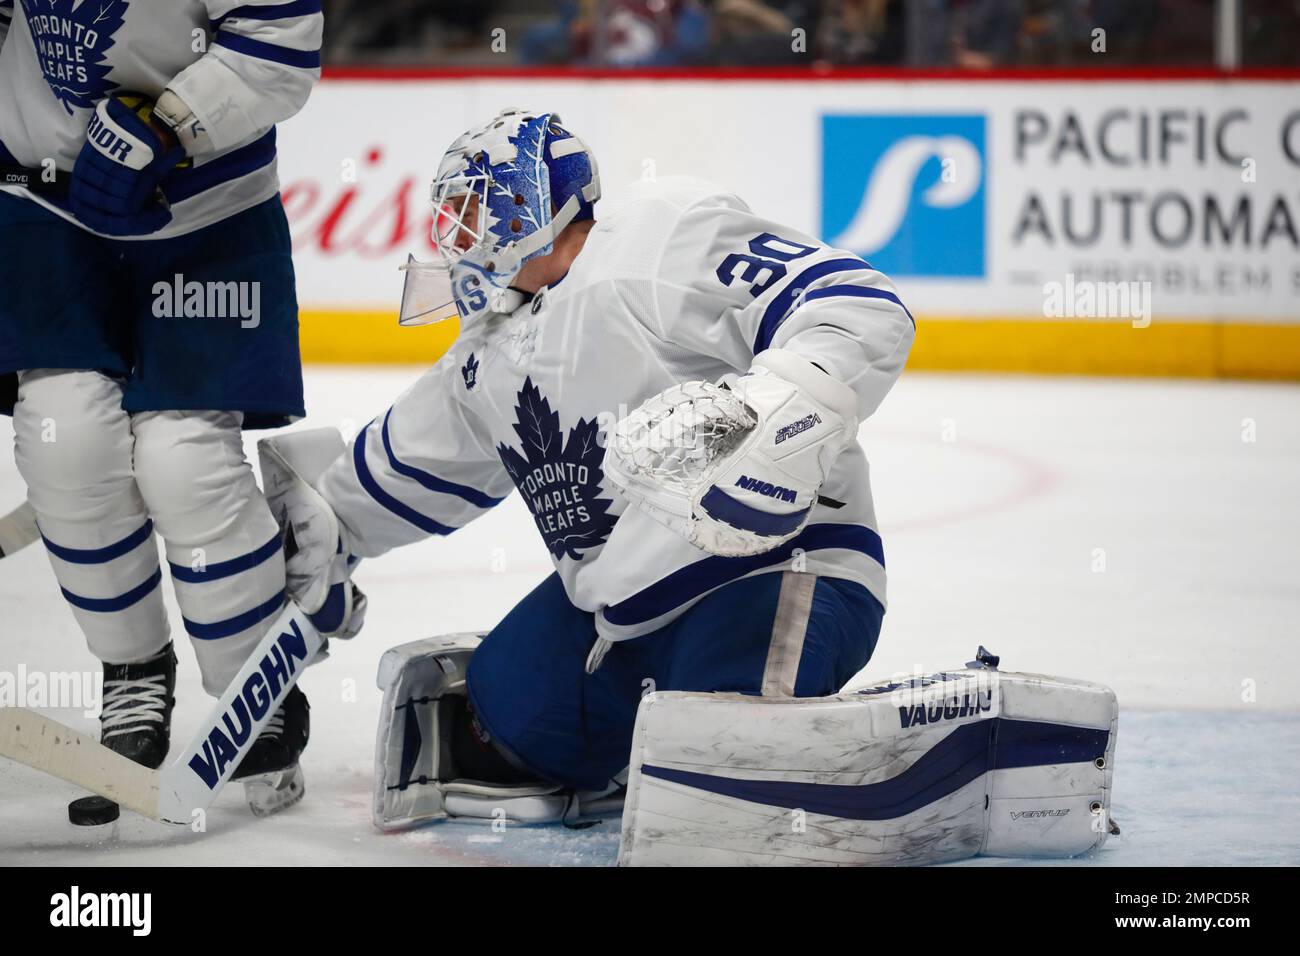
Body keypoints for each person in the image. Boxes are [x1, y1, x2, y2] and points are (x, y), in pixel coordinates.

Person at [277, 107, 914, 800]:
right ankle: (647, 742)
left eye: (471, 211)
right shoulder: (485, 356)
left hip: (776, 567)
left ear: (527, 204)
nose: (454, 237)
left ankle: (826, 757)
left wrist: (780, 408)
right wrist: (325, 532)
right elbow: (402, 470)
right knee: (492, 735)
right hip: (619, 612)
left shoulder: (653, 239)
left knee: (730, 777)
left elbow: (858, 305)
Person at [0, 0, 323, 820]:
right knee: (64, 437)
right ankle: (134, 675)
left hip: (207, 214)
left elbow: (281, 42)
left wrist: (177, 123)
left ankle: (258, 681)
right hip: (41, 207)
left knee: (183, 460)